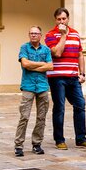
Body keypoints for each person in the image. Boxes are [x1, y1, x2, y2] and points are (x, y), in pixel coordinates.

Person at [44, 8, 86, 150]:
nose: (61, 21)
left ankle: (81, 138)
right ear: (55, 20)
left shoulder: (76, 34)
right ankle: (59, 140)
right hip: (57, 77)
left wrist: (82, 73)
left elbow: (80, 55)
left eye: (64, 19)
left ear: (68, 19)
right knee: (59, 108)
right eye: (59, 19)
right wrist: (63, 35)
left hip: (73, 77)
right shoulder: (50, 35)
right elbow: (58, 53)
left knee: (80, 105)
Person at [14, 26, 53, 157]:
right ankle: (18, 145)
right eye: (31, 33)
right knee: (24, 116)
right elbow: (25, 64)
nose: (33, 35)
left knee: (41, 117)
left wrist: (33, 67)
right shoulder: (24, 48)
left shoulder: (46, 49)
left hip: (42, 87)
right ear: (28, 35)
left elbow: (50, 66)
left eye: (36, 33)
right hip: (28, 86)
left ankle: (37, 144)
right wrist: (42, 65)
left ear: (40, 35)